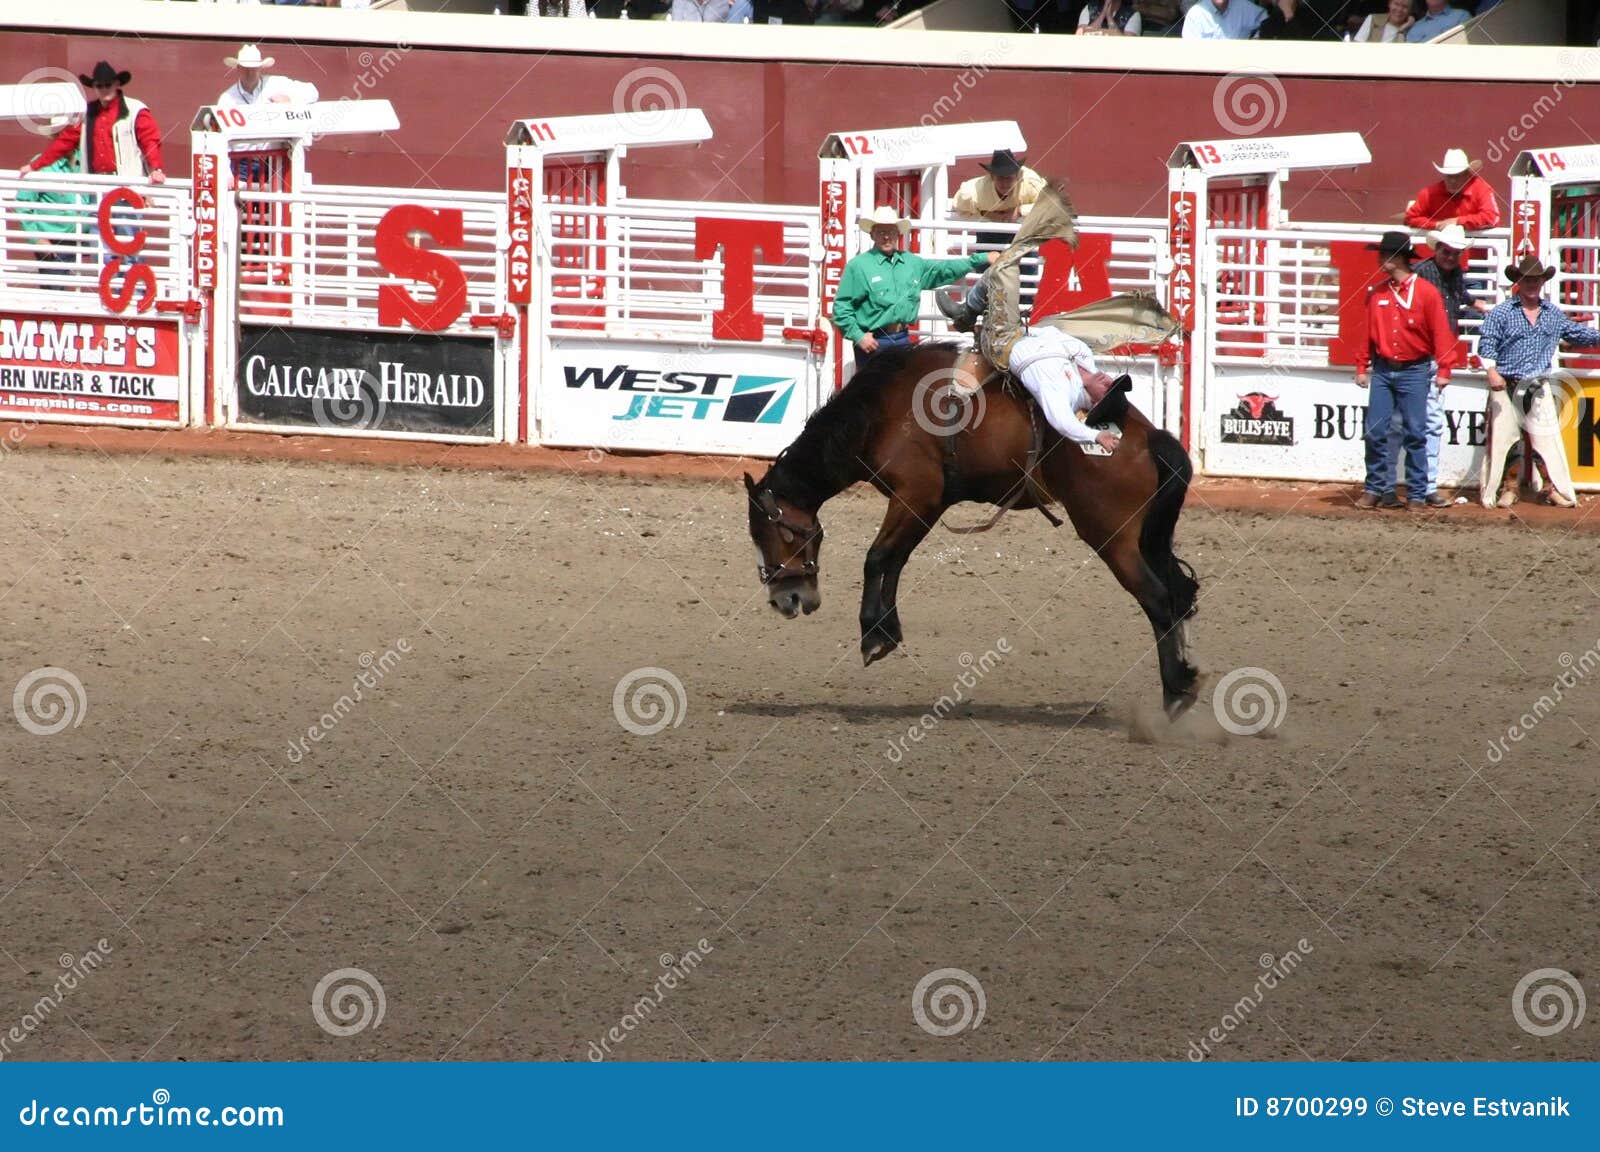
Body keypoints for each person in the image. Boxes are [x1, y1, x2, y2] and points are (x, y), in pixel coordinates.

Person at [1476, 255, 1600, 508]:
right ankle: (1509, 487)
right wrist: (1491, 371)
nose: (1532, 284)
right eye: (1527, 280)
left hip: (1537, 383)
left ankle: (1549, 487)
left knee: (1544, 440)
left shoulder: (1552, 313)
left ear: (1542, 282)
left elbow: (1578, 334)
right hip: (1507, 382)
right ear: (1519, 282)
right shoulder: (1502, 312)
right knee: (1507, 439)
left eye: (1536, 280)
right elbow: (1487, 343)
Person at [1383, 223, 1492, 506]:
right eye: (1447, 251)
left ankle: (1417, 486)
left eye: (1455, 252)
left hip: (1432, 357)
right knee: (1403, 423)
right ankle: (1397, 486)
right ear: (1438, 249)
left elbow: (1457, 295)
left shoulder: (1450, 275)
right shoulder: (1421, 274)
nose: (1450, 256)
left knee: (1423, 423)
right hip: (1417, 357)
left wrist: (1474, 301)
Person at [1353, 231, 1456, 510]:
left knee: (1415, 432)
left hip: (1415, 369)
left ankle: (1416, 493)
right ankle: (1376, 487)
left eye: (1384, 255)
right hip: (1384, 368)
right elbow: (1368, 333)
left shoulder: (1426, 293)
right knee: (1376, 430)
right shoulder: (1378, 294)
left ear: (1397, 258)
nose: (1380, 259)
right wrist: (1362, 364)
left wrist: (1444, 368)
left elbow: (1440, 332)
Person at [831, 207, 997, 370]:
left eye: (891, 231)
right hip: (874, 341)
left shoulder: (912, 263)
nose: (886, 237)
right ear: (872, 234)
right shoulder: (858, 266)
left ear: (898, 234)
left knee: (903, 386)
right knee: (872, 387)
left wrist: (981, 258)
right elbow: (841, 307)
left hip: (902, 338)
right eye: (881, 232)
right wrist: (859, 336)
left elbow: (944, 269)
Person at [19, 61, 164, 185]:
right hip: (96, 185)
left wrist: (156, 169)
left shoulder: (135, 110)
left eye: (108, 85)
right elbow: (65, 141)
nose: (104, 89)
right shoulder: (87, 114)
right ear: (94, 87)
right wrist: (34, 166)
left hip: (128, 185)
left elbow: (150, 141)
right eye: (99, 86)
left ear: (117, 84)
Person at [15, 116, 86, 285]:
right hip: (54, 240)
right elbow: (23, 204)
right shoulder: (42, 165)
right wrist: (38, 239)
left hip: (86, 237)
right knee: (54, 289)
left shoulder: (87, 161)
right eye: (59, 135)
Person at [1403, 148, 1500, 232]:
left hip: (1475, 247)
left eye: (1457, 176)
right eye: (1449, 176)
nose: (1453, 181)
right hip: (1442, 247)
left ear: (1467, 175)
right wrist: (1436, 225)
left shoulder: (1481, 189)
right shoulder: (1429, 194)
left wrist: (1457, 222)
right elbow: (1410, 218)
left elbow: (1491, 217)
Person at [217, 45, 320, 108]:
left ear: (260, 68)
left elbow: (312, 92)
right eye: (246, 68)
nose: (250, 73)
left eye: (254, 68)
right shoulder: (227, 99)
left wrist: (291, 100)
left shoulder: (276, 83)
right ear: (238, 68)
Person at [1182, 0, 1268, 38]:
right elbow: (1190, 51)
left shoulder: (1244, 7)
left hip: (1238, 65)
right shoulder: (1195, 14)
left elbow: (1267, 21)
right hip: (1207, 67)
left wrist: (1256, 40)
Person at [1077, 0, 1143, 33]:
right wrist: (1102, 15)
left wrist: (1109, 17)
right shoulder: (1089, 9)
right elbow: (1080, 34)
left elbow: (1129, 43)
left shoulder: (1133, 14)